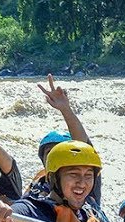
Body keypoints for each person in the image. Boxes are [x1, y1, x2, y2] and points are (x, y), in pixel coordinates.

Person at [24, 75, 101, 205]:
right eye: (50, 152)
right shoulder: (38, 186)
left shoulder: (87, 182)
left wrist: (66, 109)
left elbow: (82, 145)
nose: (82, 182)